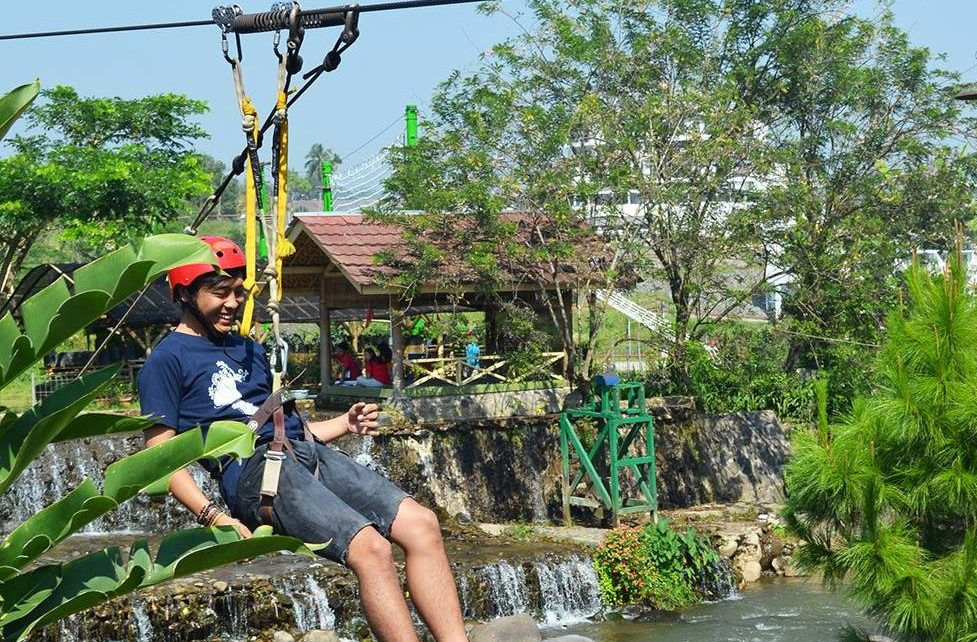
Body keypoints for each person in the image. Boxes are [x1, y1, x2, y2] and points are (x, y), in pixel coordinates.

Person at [138, 236, 467, 642]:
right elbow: (160, 456)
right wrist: (214, 517)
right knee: (372, 550)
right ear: (186, 294)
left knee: (422, 525)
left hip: (301, 453)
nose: (233, 302)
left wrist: (345, 423)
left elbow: (292, 429)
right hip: (254, 475)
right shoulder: (166, 360)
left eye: (238, 292)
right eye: (219, 292)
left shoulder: (248, 350)